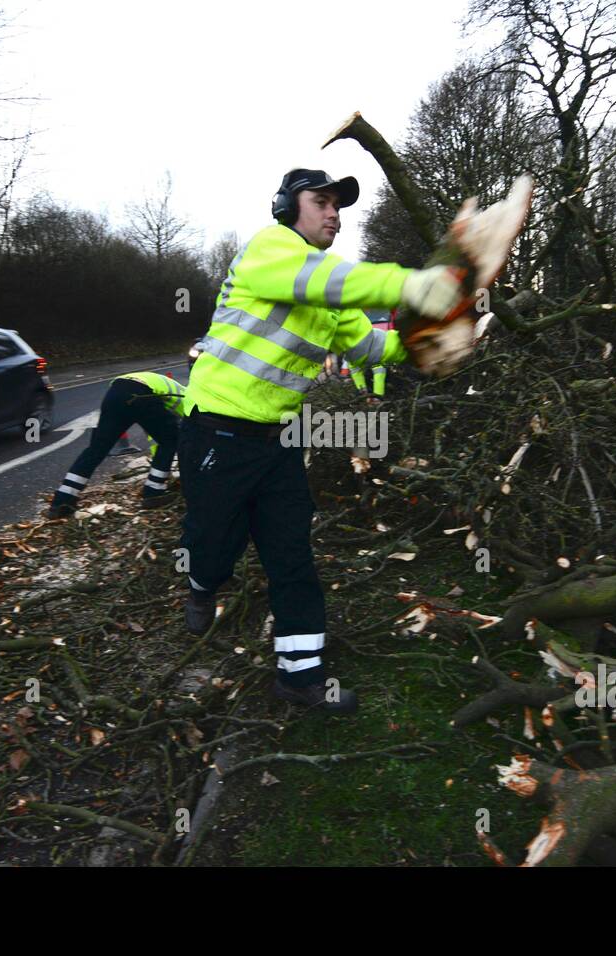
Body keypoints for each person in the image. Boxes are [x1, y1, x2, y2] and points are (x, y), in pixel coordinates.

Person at [177, 167, 465, 714]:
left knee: (292, 554)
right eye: (322, 201)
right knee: (216, 541)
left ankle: (299, 674)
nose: (335, 213)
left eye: (339, 205)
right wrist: (412, 282)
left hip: (279, 440)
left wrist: (437, 341)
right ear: (289, 207)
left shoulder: (330, 294)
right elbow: (332, 281)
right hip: (217, 427)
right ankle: (201, 582)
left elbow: (371, 349)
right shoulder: (271, 249)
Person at [47, 371, 187, 518]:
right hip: (141, 393)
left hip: (115, 391)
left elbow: (154, 435)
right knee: (170, 440)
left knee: (96, 449)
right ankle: (154, 492)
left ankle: (62, 501)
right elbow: (183, 435)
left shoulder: (167, 385)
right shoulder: (188, 400)